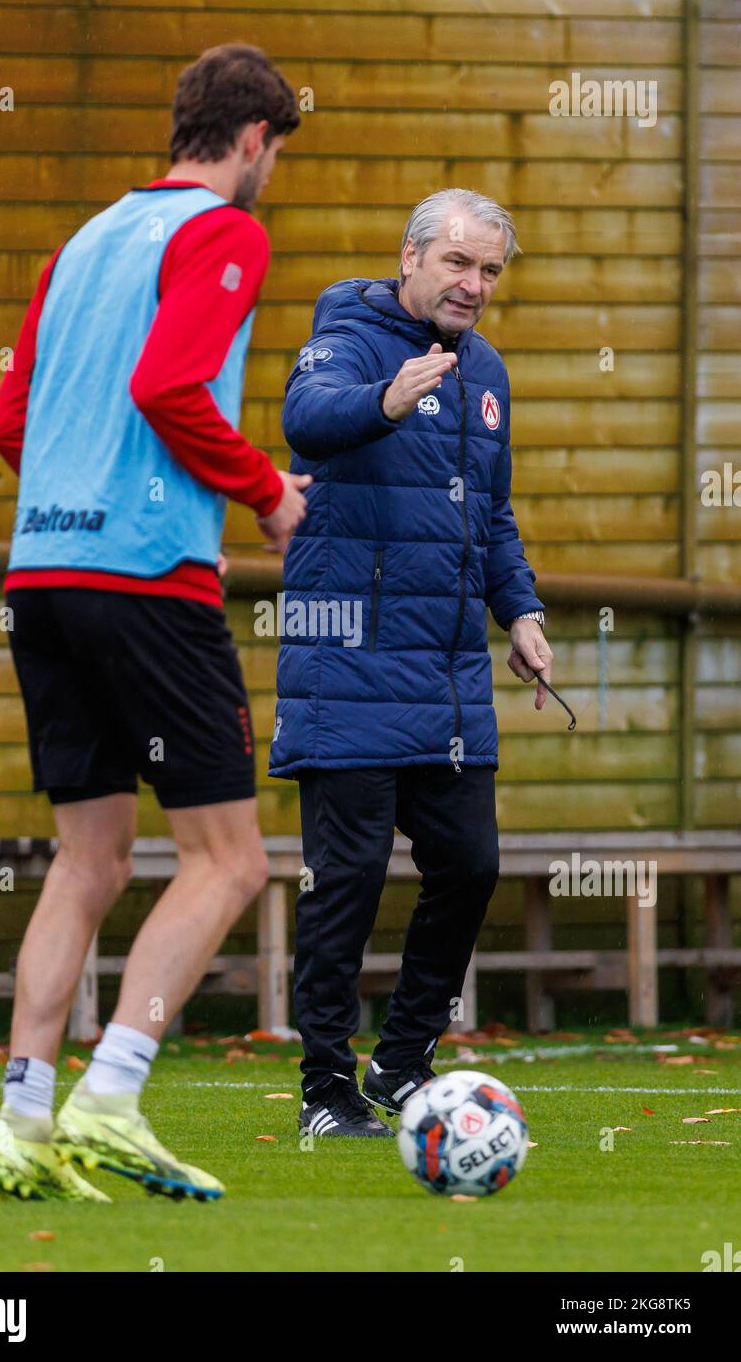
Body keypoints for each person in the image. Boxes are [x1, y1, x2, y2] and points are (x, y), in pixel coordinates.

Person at [0, 43, 308, 1201]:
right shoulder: (222, 232)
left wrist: (78, 491)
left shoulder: (77, 244)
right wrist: (266, 492)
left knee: (88, 858)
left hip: (40, 577)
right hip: (145, 579)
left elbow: (9, 422)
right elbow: (170, 389)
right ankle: (113, 1092)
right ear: (255, 139)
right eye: (274, 151)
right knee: (229, 859)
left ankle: (22, 1119)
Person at [269, 188, 552, 1138]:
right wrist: (385, 401)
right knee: (344, 881)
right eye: (459, 264)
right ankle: (323, 1089)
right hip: (346, 660)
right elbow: (307, 418)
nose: (473, 286)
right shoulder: (345, 336)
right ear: (411, 257)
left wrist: (521, 610)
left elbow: (492, 513)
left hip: (446, 677)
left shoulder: (489, 375)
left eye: (490, 271)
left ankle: (403, 1065)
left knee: (471, 866)